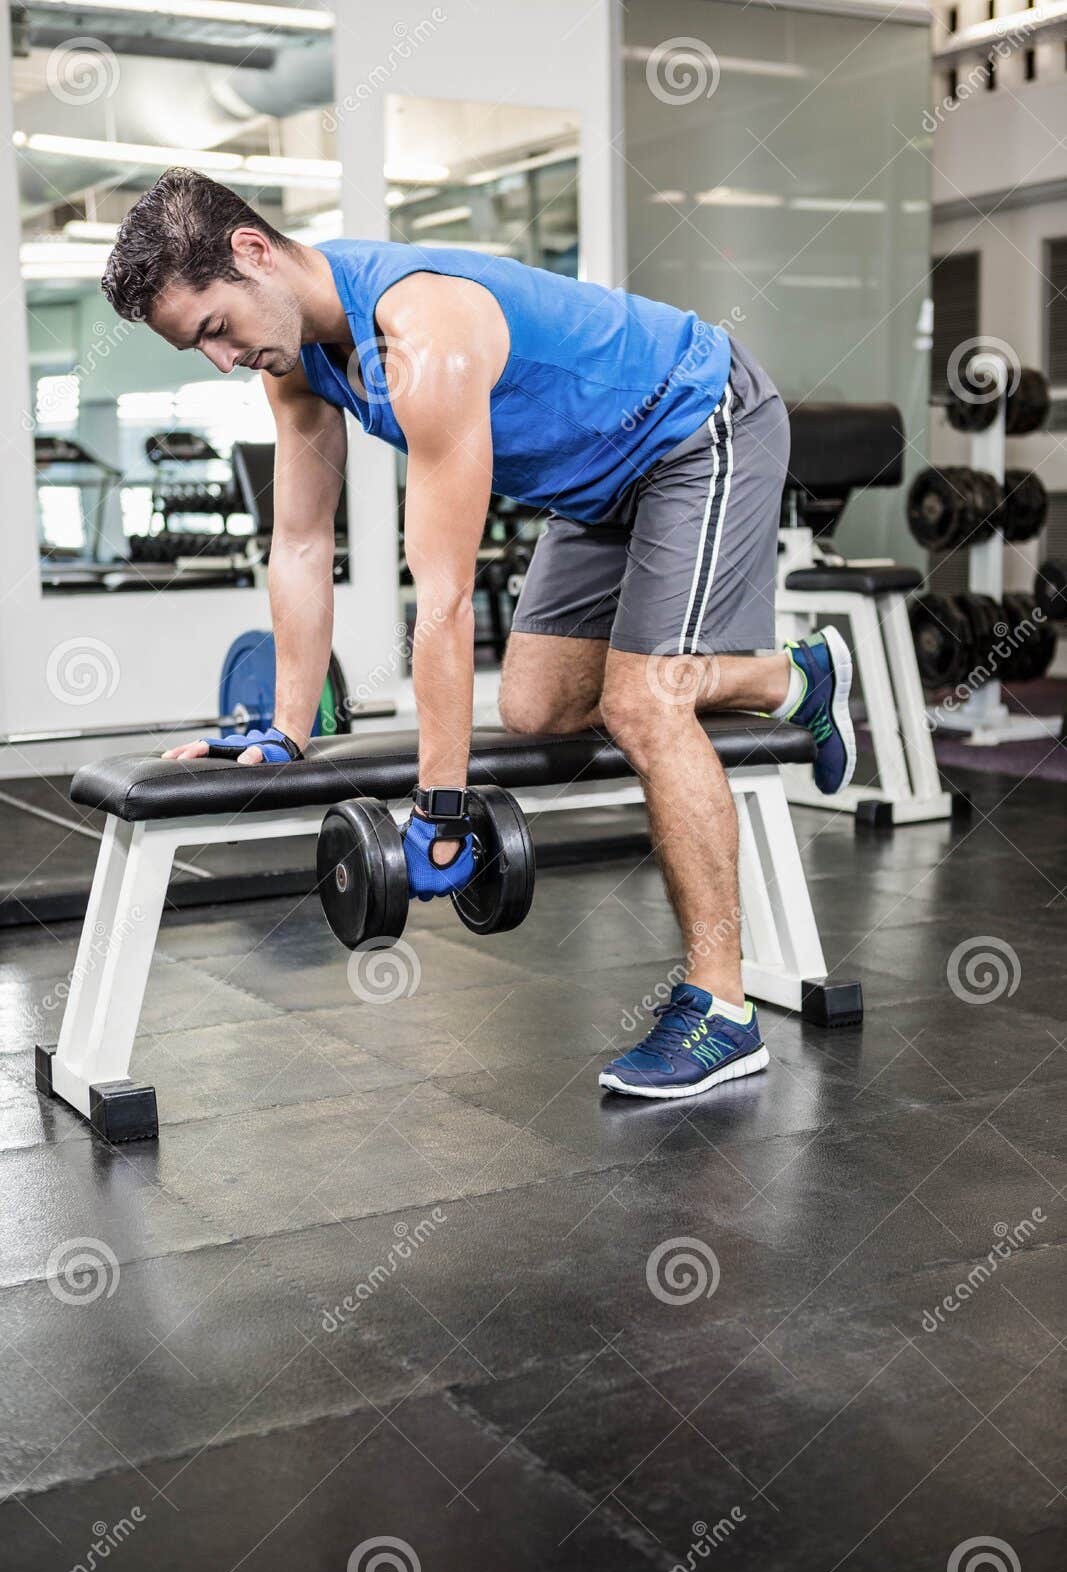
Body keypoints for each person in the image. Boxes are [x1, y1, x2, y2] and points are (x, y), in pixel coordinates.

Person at [101, 168, 855, 1100]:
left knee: (642, 704)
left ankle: (721, 1009)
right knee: (537, 708)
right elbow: (299, 543)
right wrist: (284, 729)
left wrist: (443, 805)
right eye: (197, 349)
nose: (222, 360)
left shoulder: (425, 333)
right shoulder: (297, 362)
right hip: (592, 489)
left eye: (216, 328)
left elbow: (448, 598)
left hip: (694, 425)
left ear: (253, 252)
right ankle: (790, 679)